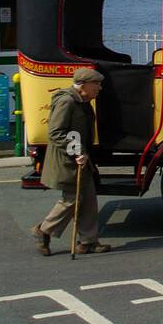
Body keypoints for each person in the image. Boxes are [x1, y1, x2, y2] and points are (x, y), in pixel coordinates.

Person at [31, 67, 111, 256]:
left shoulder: (82, 101)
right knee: (72, 199)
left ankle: (88, 242)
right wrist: (77, 152)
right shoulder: (67, 101)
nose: (99, 88)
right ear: (83, 85)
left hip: (81, 158)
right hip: (68, 159)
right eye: (96, 84)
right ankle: (43, 230)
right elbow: (56, 133)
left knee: (88, 199)